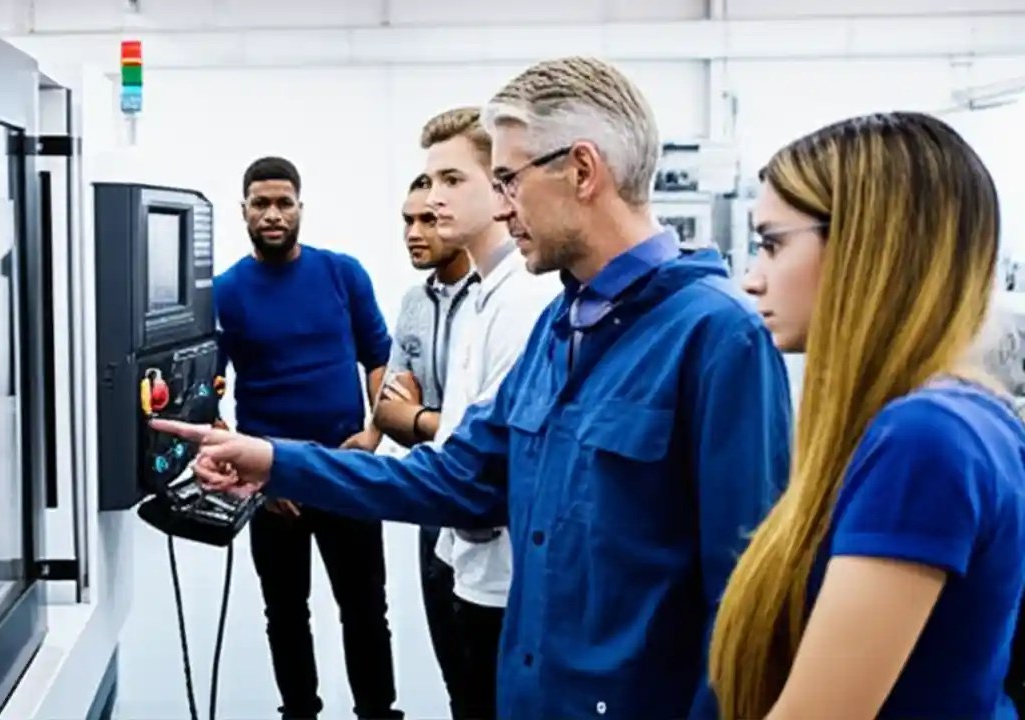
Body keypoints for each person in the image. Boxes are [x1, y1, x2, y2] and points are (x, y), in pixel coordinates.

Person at [158, 58, 793, 719]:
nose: (498, 204)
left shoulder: (717, 337)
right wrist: (274, 461)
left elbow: (750, 610)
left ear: (582, 170)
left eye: (507, 180)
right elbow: (457, 478)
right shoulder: (563, 326)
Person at [710, 112, 1025, 720]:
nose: (751, 279)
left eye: (772, 244)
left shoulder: (925, 439)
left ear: (867, 244)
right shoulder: (970, 418)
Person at [378, 106, 558, 719]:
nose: (435, 199)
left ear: (502, 185)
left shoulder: (526, 301)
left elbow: (479, 464)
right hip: (465, 555)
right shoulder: (480, 296)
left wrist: (289, 466)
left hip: (503, 572)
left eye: (453, 181)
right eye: (429, 182)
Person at [213, 156, 403, 720]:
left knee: (366, 608)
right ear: (243, 210)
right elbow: (206, 394)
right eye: (261, 204)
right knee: (286, 613)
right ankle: (299, 712)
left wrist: (375, 431)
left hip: (346, 475)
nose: (273, 215)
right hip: (274, 485)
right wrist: (250, 474)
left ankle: (377, 711)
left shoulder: (342, 274)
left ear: (300, 207)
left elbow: (380, 357)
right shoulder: (225, 292)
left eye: (283, 203)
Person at [373, 170, 478, 716]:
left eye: (428, 220)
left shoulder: (494, 300)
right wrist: (414, 419)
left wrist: (417, 417)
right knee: (455, 674)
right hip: (430, 503)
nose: (414, 232)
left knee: (490, 676)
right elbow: (385, 409)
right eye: (407, 221)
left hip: (485, 506)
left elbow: (490, 426)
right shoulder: (415, 301)